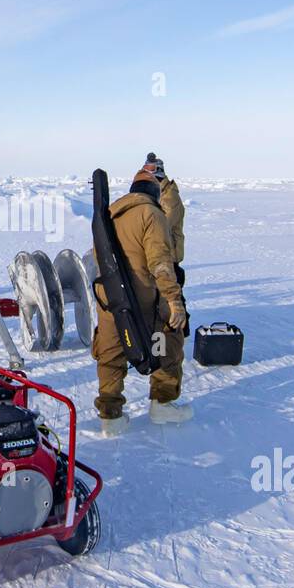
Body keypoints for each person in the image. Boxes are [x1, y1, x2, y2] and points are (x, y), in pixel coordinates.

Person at [91, 168, 192, 434]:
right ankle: (162, 404)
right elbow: (160, 262)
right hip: (145, 299)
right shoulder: (151, 213)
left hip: (110, 298)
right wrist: (174, 300)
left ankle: (110, 417)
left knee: (111, 352)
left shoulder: (108, 214)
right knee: (166, 344)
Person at [143, 152, 186, 285]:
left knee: (171, 293)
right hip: (159, 253)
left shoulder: (169, 197)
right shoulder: (156, 194)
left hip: (169, 255)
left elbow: (162, 226)